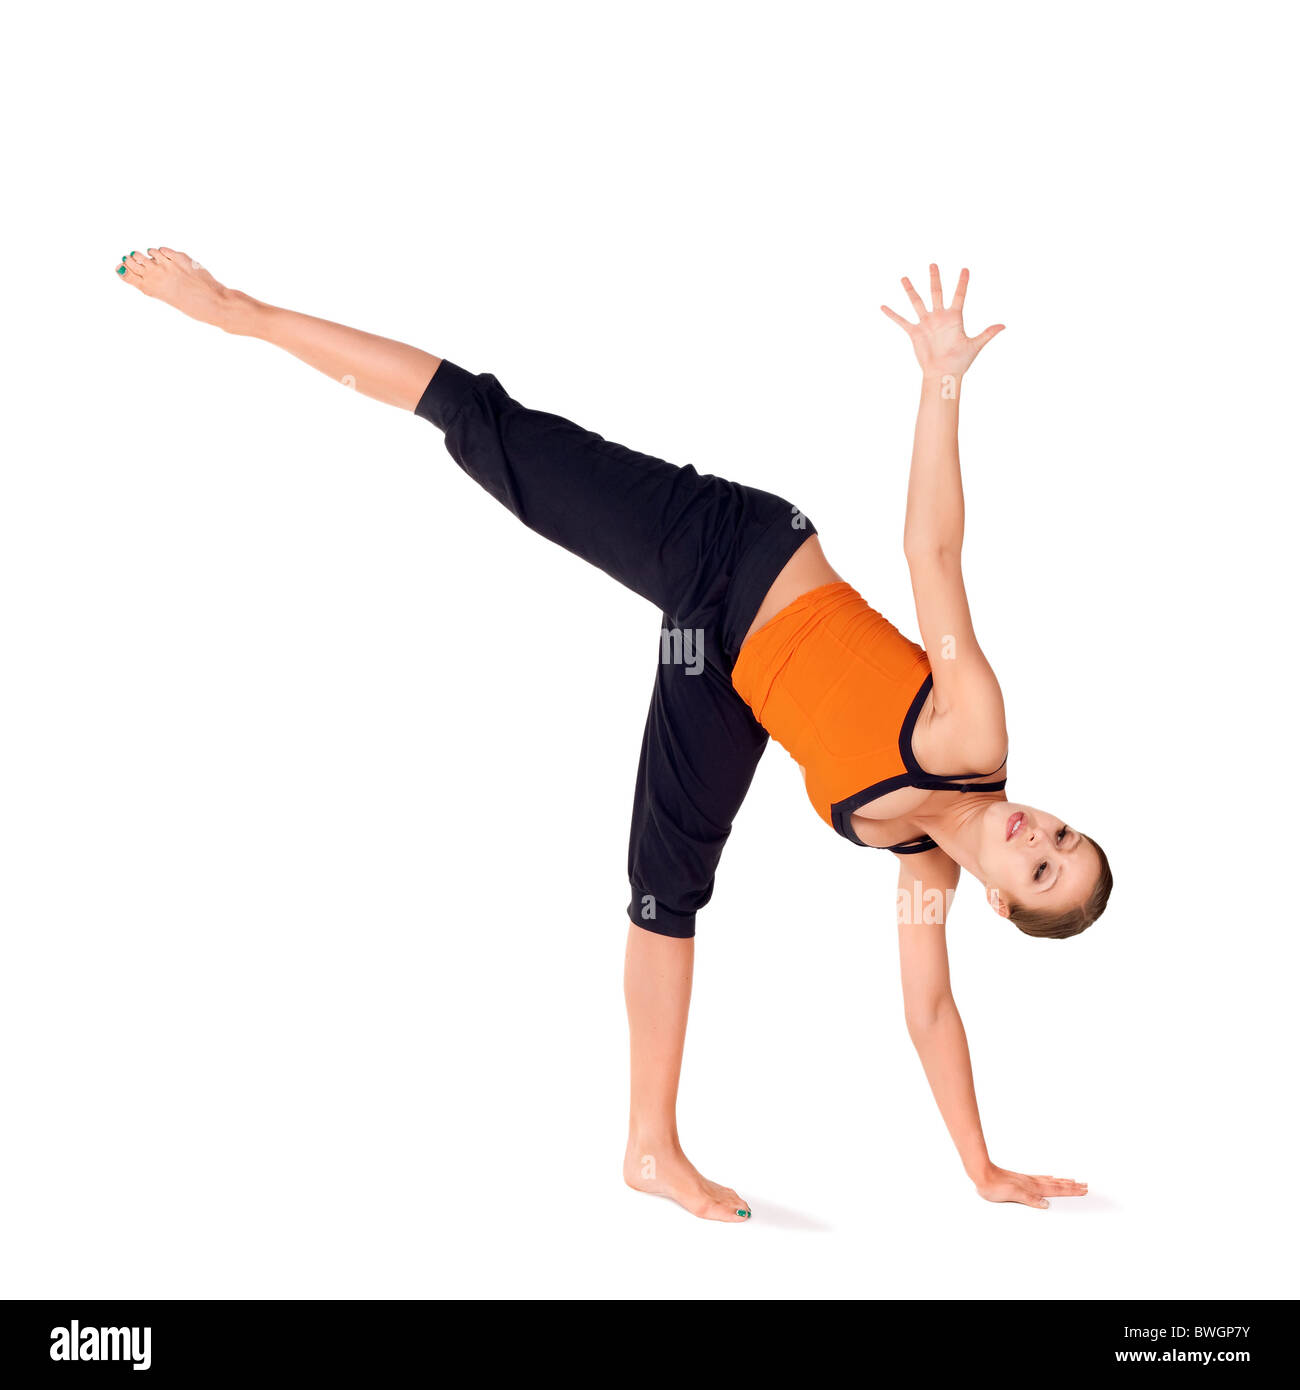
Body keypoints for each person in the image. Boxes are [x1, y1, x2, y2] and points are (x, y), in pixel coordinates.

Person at [117, 249, 1107, 1221]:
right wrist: (940, 383)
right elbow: (932, 551)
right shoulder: (972, 727)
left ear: (1001, 903)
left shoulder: (923, 866)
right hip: (730, 552)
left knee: (664, 890)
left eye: (1043, 872)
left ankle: (649, 1148)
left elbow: (928, 1009)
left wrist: (981, 1166)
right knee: (483, 423)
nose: (1042, 838)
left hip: (713, 666)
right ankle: (240, 311)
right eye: (1066, 836)